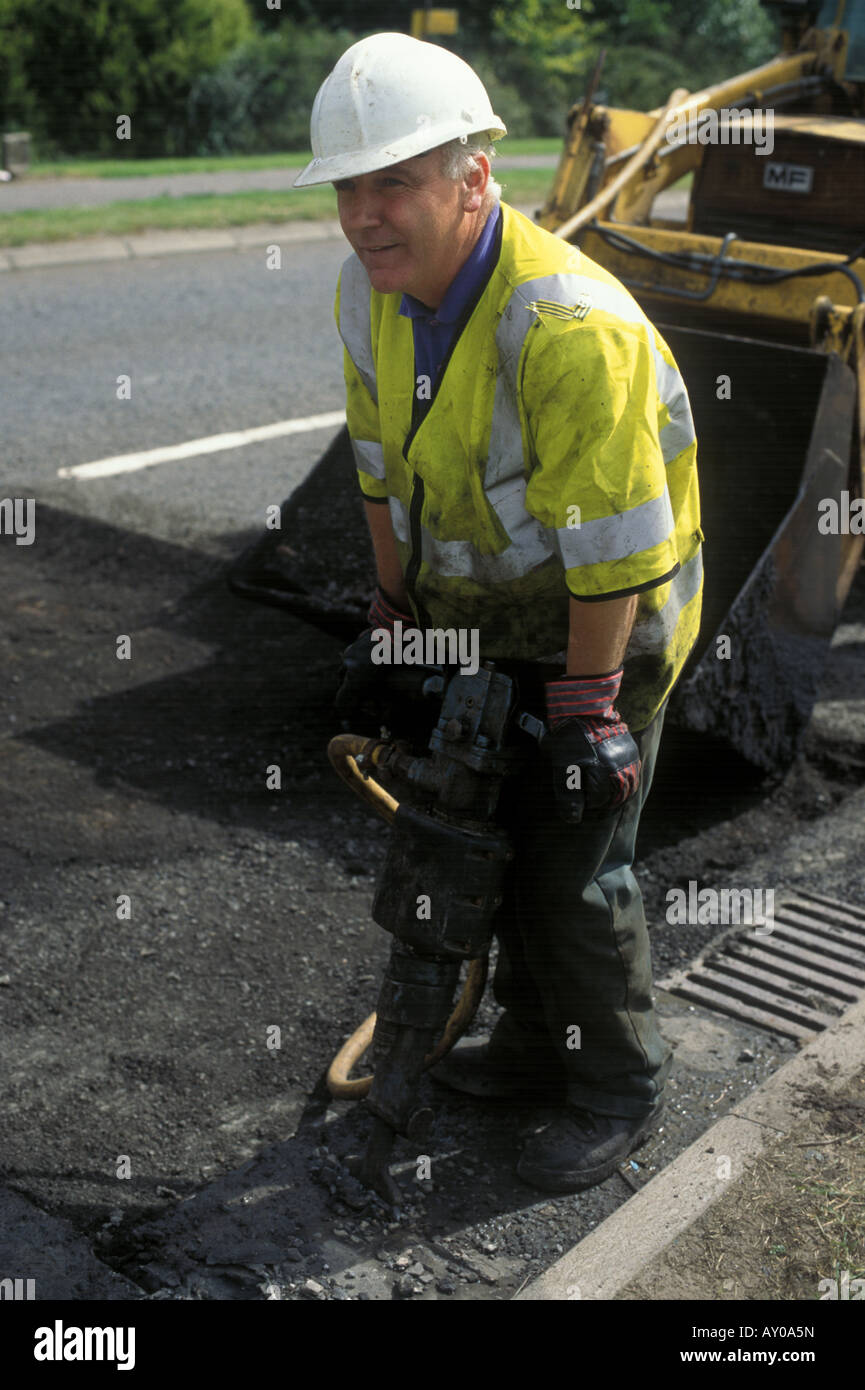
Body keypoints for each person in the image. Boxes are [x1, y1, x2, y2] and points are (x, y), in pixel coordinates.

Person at [294, 32, 703, 1194]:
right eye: (349, 187)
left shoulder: (563, 326)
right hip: (483, 610)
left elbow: (614, 545)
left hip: (605, 621)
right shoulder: (365, 293)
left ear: (473, 179)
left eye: (396, 183)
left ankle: (616, 1083)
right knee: (491, 841)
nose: (365, 215)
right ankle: (531, 1045)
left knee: (570, 863)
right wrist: (393, 621)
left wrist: (585, 711)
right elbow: (381, 469)